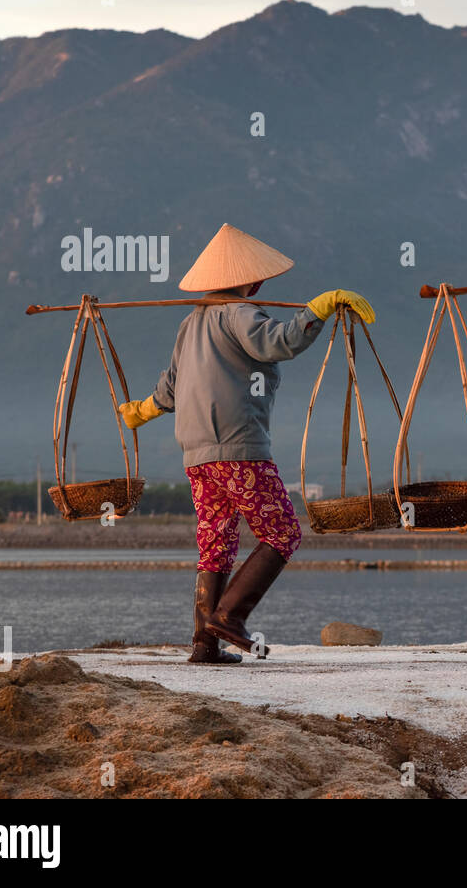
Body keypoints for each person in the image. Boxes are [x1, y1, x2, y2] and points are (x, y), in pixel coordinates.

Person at [117, 224, 375, 664]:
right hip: (239, 448)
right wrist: (318, 308)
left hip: (197, 455)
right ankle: (230, 617)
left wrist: (144, 409)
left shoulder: (189, 323)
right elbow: (280, 342)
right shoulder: (240, 314)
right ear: (248, 282)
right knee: (282, 532)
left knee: (215, 540)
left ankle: (204, 643)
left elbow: (171, 389)